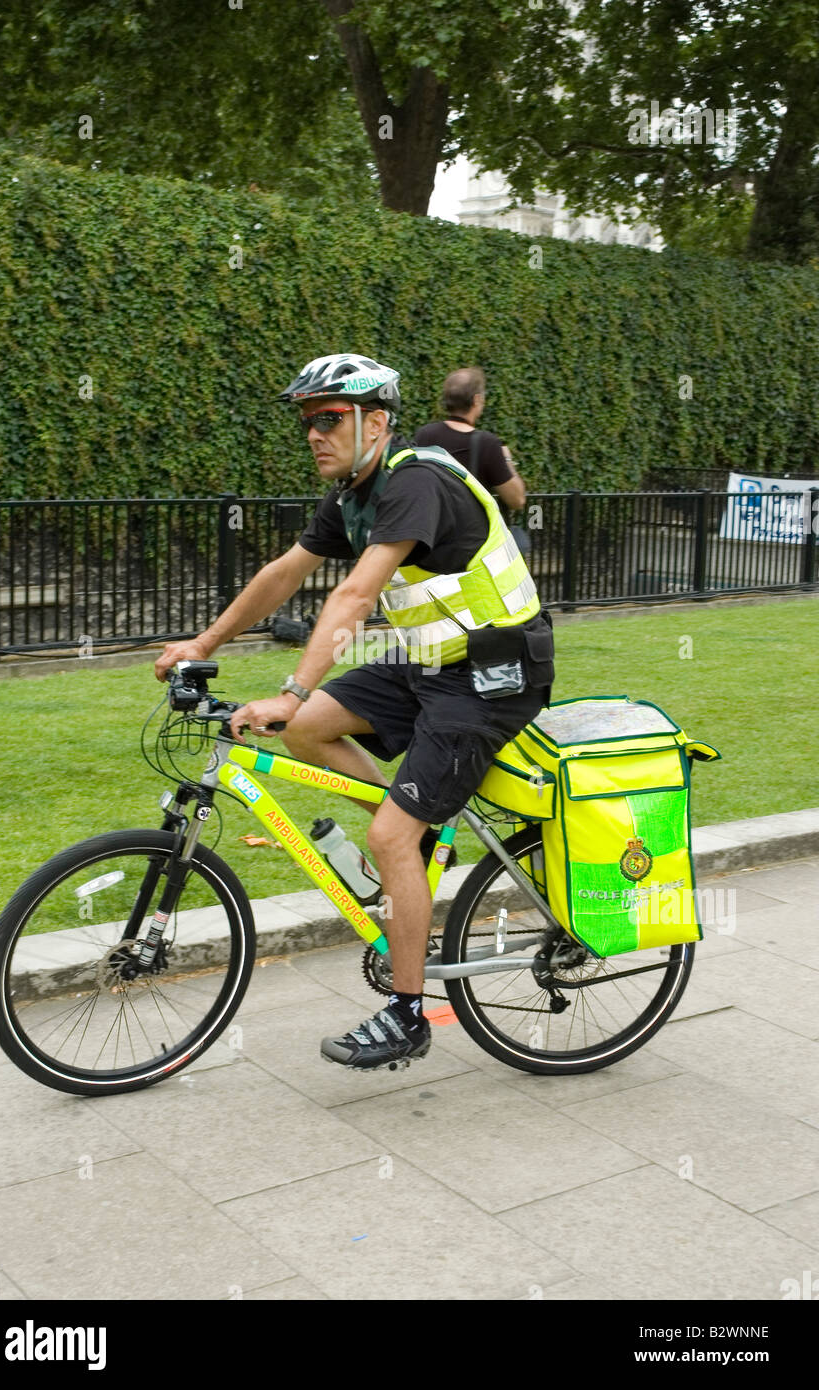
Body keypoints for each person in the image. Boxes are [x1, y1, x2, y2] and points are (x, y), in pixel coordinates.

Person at [155, 353, 554, 1072]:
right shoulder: (351, 496)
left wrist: (293, 688)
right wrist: (201, 642)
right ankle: (410, 853)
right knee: (304, 733)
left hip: (495, 675)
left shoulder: (416, 481)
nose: (314, 434)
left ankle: (407, 1014)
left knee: (386, 830)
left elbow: (354, 598)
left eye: (329, 418)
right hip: (430, 663)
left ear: (376, 421)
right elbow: (284, 574)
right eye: (308, 421)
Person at [413, 366, 526, 516]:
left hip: (430, 533)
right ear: (477, 399)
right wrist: (506, 459)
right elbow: (517, 500)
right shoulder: (487, 444)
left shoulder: (424, 435)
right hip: (471, 537)